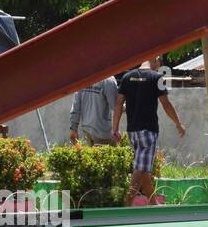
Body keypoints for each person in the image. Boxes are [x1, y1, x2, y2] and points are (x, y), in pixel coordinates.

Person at [112, 59, 185, 201]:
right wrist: (178, 123)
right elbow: (166, 103)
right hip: (148, 131)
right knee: (139, 169)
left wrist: (115, 128)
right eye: (160, 61)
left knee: (144, 168)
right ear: (156, 59)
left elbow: (119, 103)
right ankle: (127, 202)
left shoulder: (127, 77)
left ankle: (152, 202)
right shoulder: (156, 77)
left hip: (132, 132)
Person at [68, 76, 118, 146]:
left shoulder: (83, 79)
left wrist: (73, 129)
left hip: (87, 130)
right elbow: (116, 106)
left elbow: (76, 107)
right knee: (112, 155)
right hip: (102, 132)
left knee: (92, 155)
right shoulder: (108, 80)